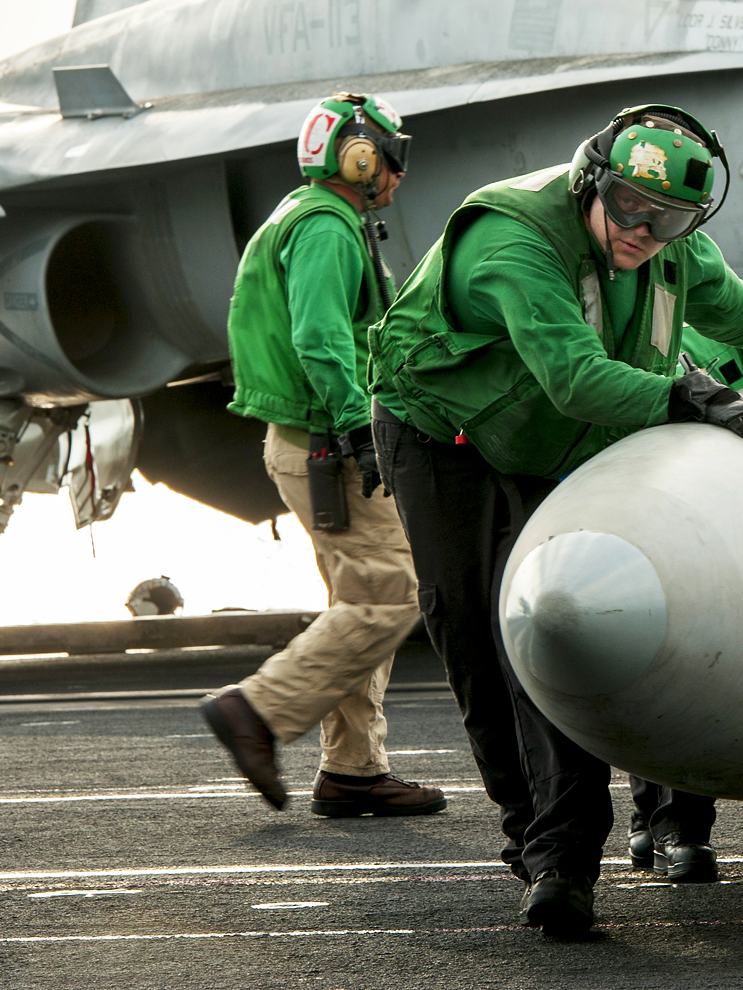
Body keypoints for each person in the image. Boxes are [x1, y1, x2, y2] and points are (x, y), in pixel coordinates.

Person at [368, 104, 743, 934]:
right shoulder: (514, 241)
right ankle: (535, 846)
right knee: (476, 635)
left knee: (551, 630)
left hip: (540, 436)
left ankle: (563, 860)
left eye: (669, 219)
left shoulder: (671, 249)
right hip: (444, 436)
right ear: (592, 183)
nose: (644, 230)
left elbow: (738, 314)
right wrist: (690, 395)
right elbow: (572, 376)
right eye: (631, 208)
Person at [200, 93, 446, 821]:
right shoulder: (326, 230)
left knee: (360, 596)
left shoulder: (305, 215)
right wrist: (357, 426)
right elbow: (319, 337)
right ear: (360, 156)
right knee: (392, 595)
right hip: (326, 446)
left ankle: (354, 773)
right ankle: (256, 711)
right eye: (390, 155)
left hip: (310, 443)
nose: (397, 172)